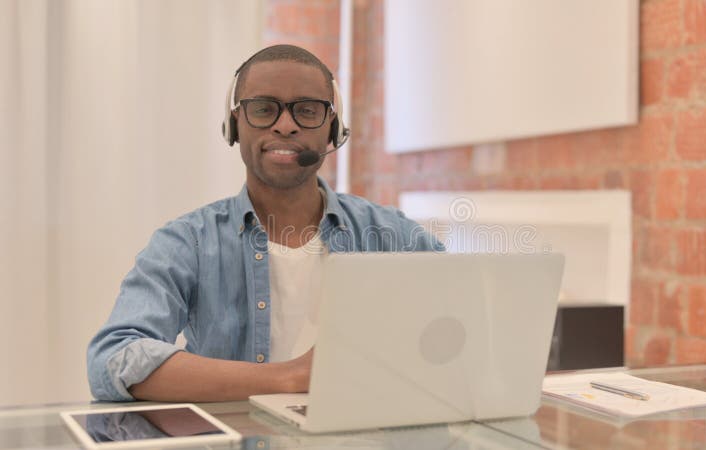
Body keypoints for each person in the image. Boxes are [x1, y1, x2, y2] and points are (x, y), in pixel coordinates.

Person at [87, 44, 444, 402]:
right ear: (234, 125)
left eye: (306, 110)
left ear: (333, 129)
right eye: (263, 109)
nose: (285, 126)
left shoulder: (391, 235)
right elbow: (113, 359)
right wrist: (290, 377)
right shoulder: (188, 242)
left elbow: (470, 325)